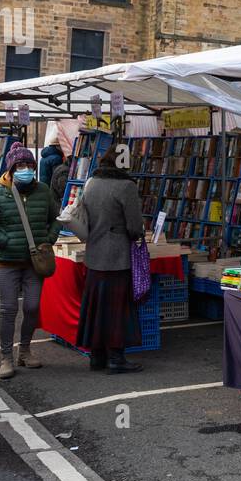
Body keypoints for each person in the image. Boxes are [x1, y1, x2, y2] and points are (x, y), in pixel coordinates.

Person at [0, 142, 60, 380]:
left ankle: (25, 350)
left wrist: (48, 240)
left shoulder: (43, 191)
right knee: (8, 309)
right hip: (6, 261)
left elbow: (57, 219)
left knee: (32, 307)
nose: (25, 169)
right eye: (20, 165)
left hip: (35, 261)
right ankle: (6, 357)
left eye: (29, 165)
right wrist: (3, 240)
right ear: (11, 169)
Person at [68, 145, 145, 374]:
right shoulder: (126, 186)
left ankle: (96, 356)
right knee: (116, 309)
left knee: (96, 307)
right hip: (117, 256)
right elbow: (133, 226)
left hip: (94, 253)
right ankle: (115, 358)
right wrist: (138, 232)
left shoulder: (91, 183)